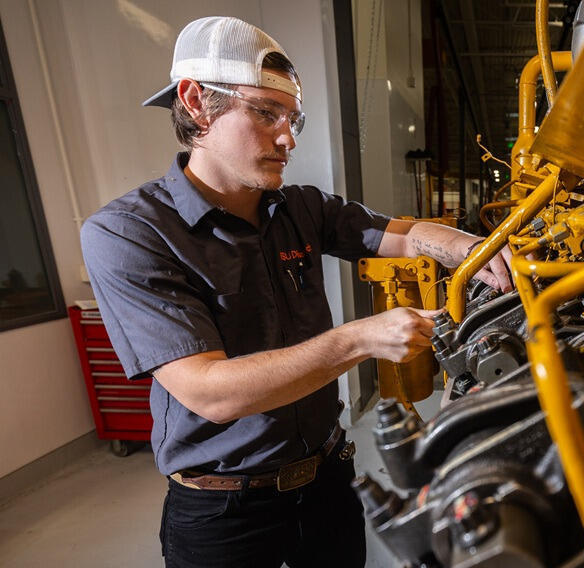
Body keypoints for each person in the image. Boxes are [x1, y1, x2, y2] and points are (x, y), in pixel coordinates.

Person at [80, 16, 511, 568]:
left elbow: (400, 235)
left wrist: (473, 248)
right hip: (224, 514)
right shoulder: (130, 233)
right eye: (265, 113)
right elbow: (211, 392)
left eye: (293, 118)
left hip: (328, 484)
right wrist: (359, 340)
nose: (287, 138)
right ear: (194, 102)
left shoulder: (301, 207)